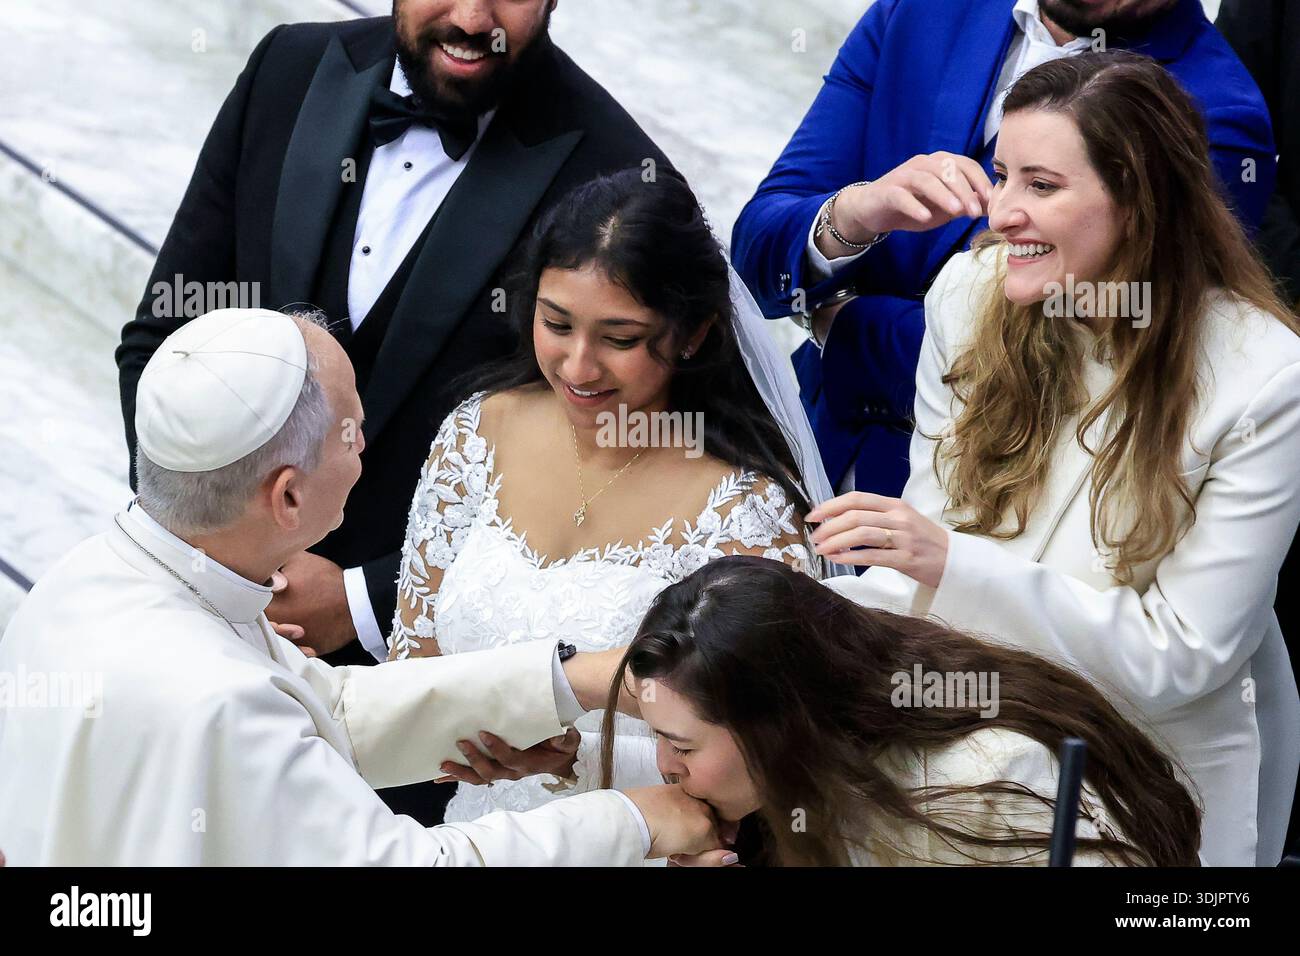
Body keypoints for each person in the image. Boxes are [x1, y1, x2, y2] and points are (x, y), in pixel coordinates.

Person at [0, 308, 723, 865]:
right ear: (286, 497)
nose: (366, 449)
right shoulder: (219, 699)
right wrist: (633, 820)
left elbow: (329, 711)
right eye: (351, 432)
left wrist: (573, 682)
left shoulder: (84, 577)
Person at [808, 53, 1300, 866]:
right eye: (1001, 176)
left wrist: (946, 563)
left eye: (1041, 186)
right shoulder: (968, 296)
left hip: (1149, 771)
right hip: (964, 710)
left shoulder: (1268, 377)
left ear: (1140, 201)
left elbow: (1180, 660)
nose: (1001, 214)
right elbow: (924, 567)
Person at [380, 169, 834, 826]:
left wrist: (566, 761)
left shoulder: (748, 516)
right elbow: (411, 676)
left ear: (694, 333)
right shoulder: (479, 432)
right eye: (556, 323)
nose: (578, 366)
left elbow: (765, 761)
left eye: (619, 339)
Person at [731, 0, 1276, 499]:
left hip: (987, 501)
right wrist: (853, 215)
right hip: (794, 437)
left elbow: (1072, 367)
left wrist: (846, 326)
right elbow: (755, 256)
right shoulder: (921, 11)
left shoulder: (1221, 117)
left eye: (1040, 185)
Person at [601, 556, 1201, 866]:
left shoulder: (993, 778)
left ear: (778, 723)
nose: (666, 767)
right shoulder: (798, 768)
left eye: (680, 747)